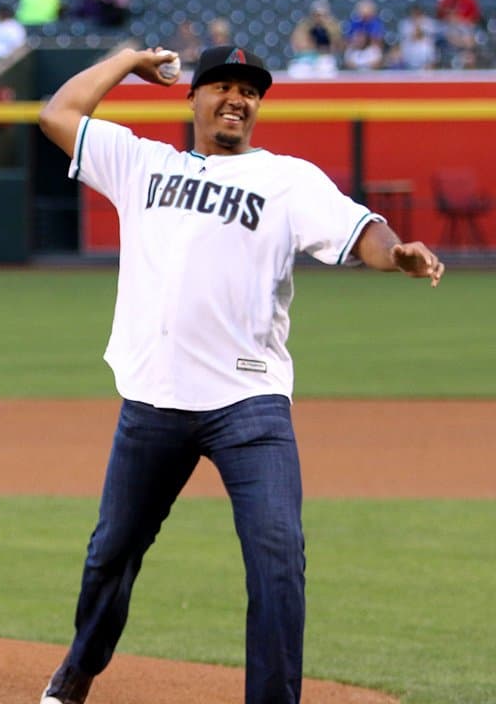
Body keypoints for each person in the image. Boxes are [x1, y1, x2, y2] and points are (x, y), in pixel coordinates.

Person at [34, 45, 445, 704]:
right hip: (154, 400)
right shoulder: (143, 163)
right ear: (194, 98)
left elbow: (363, 227)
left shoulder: (288, 179)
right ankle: (80, 666)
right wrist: (129, 59)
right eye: (222, 86)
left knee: (279, 559)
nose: (236, 98)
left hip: (249, 404)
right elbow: (59, 112)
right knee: (111, 555)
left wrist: (394, 254)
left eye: (249, 91)